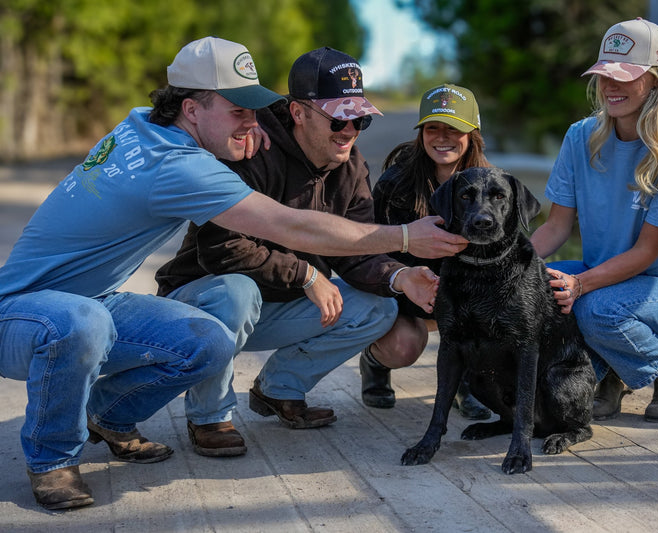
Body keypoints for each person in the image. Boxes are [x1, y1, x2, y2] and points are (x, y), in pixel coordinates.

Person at [0, 37, 466, 511]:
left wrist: (231, 136)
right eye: (239, 110)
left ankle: (109, 414)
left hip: (96, 298)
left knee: (210, 342)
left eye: (255, 110)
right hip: (20, 315)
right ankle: (52, 459)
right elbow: (290, 226)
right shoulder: (180, 166)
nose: (252, 121)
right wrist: (403, 238)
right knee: (86, 322)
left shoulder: (143, 125)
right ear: (191, 109)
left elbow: (200, 135)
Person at [155, 47, 439, 453]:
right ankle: (210, 415)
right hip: (204, 305)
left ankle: (279, 389)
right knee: (237, 292)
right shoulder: (250, 148)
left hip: (278, 303)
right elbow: (222, 249)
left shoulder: (351, 167)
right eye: (339, 119)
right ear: (299, 112)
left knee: (379, 307)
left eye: (360, 120)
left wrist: (400, 276)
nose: (350, 131)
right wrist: (305, 274)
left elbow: (356, 249)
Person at [529, 18, 658, 423]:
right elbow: (556, 227)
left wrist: (580, 284)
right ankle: (608, 374)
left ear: (654, 79)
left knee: (595, 309)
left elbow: (646, 253)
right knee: (532, 289)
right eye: (604, 74)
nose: (610, 85)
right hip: (608, 276)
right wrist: (508, 266)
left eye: (624, 76)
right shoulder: (580, 137)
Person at [369, 83, 494, 419]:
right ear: (421, 132)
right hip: (406, 293)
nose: (442, 137)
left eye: (453, 128)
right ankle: (374, 362)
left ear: (472, 133)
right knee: (403, 346)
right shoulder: (394, 183)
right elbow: (372, 249)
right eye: (432, 128)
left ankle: (468, 382)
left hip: (463, 298)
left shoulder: (489, 186)